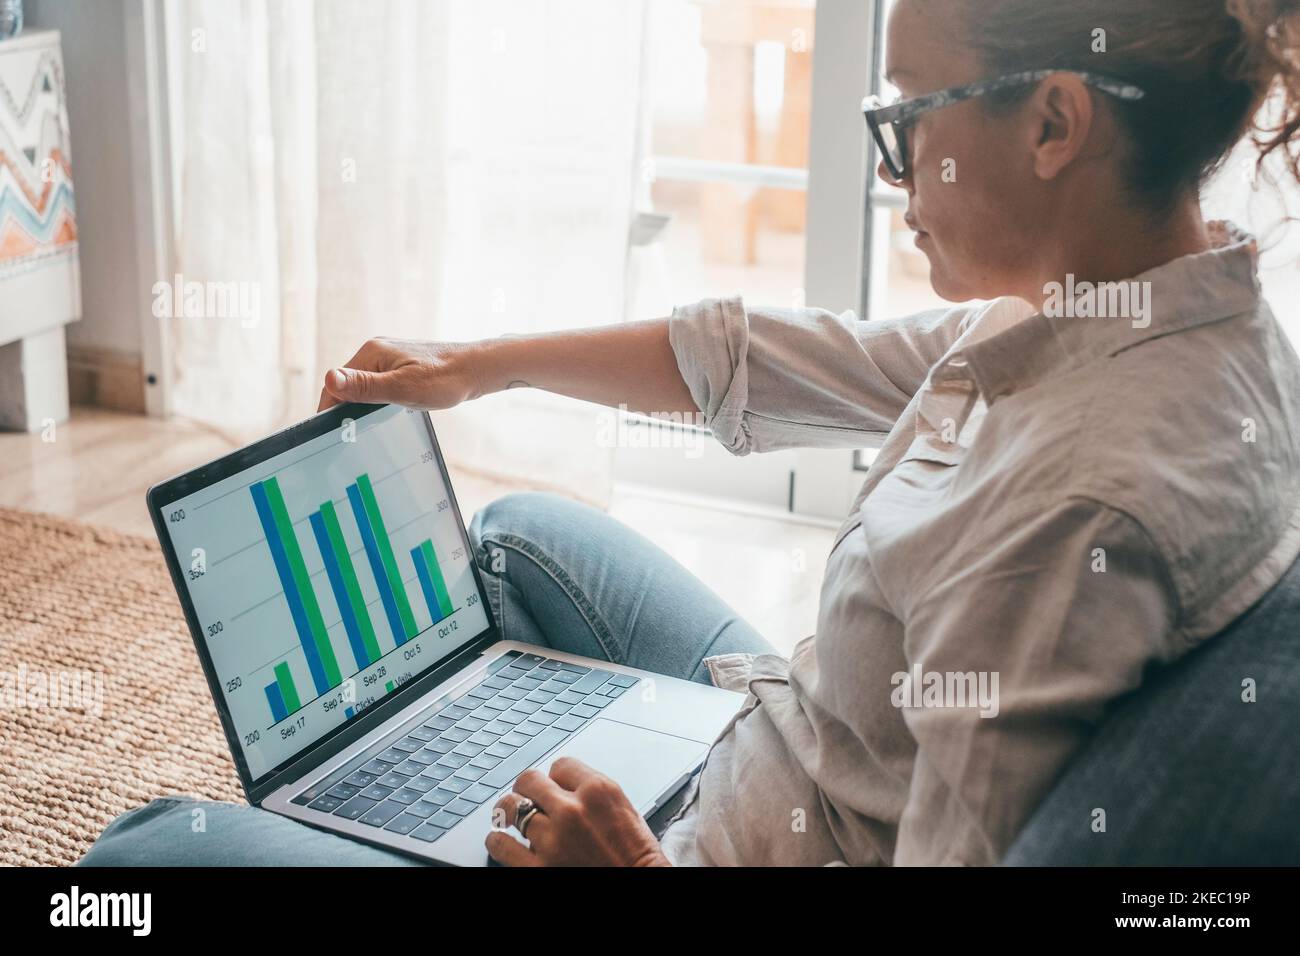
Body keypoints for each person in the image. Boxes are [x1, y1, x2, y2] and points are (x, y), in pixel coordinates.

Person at [82, 0, 1300, 866]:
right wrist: (475, 366)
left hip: (719, 843)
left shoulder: (1075, 512)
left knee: (139, 847)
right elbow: (779, 355)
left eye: (905, 123)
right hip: (794, 735)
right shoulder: (1161, 321)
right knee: (518, 538)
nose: (889, 169)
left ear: (1053, 125)